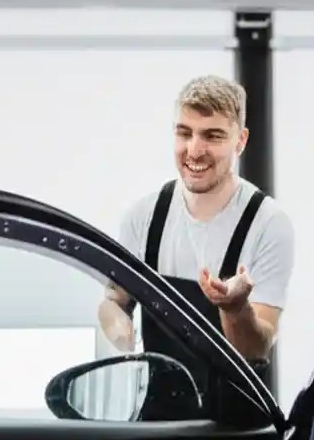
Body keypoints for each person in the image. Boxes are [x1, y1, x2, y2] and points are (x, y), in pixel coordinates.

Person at [98, 75, 295, 419]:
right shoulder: (142, 217)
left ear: (241, 141)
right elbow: (113, 302)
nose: (194, 150)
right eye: (184, 133)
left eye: (213, 135)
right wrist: (121, 334)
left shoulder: (267, 223)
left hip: (237, 432)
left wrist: (235, 309)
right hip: (159, 427)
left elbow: (257, 347)